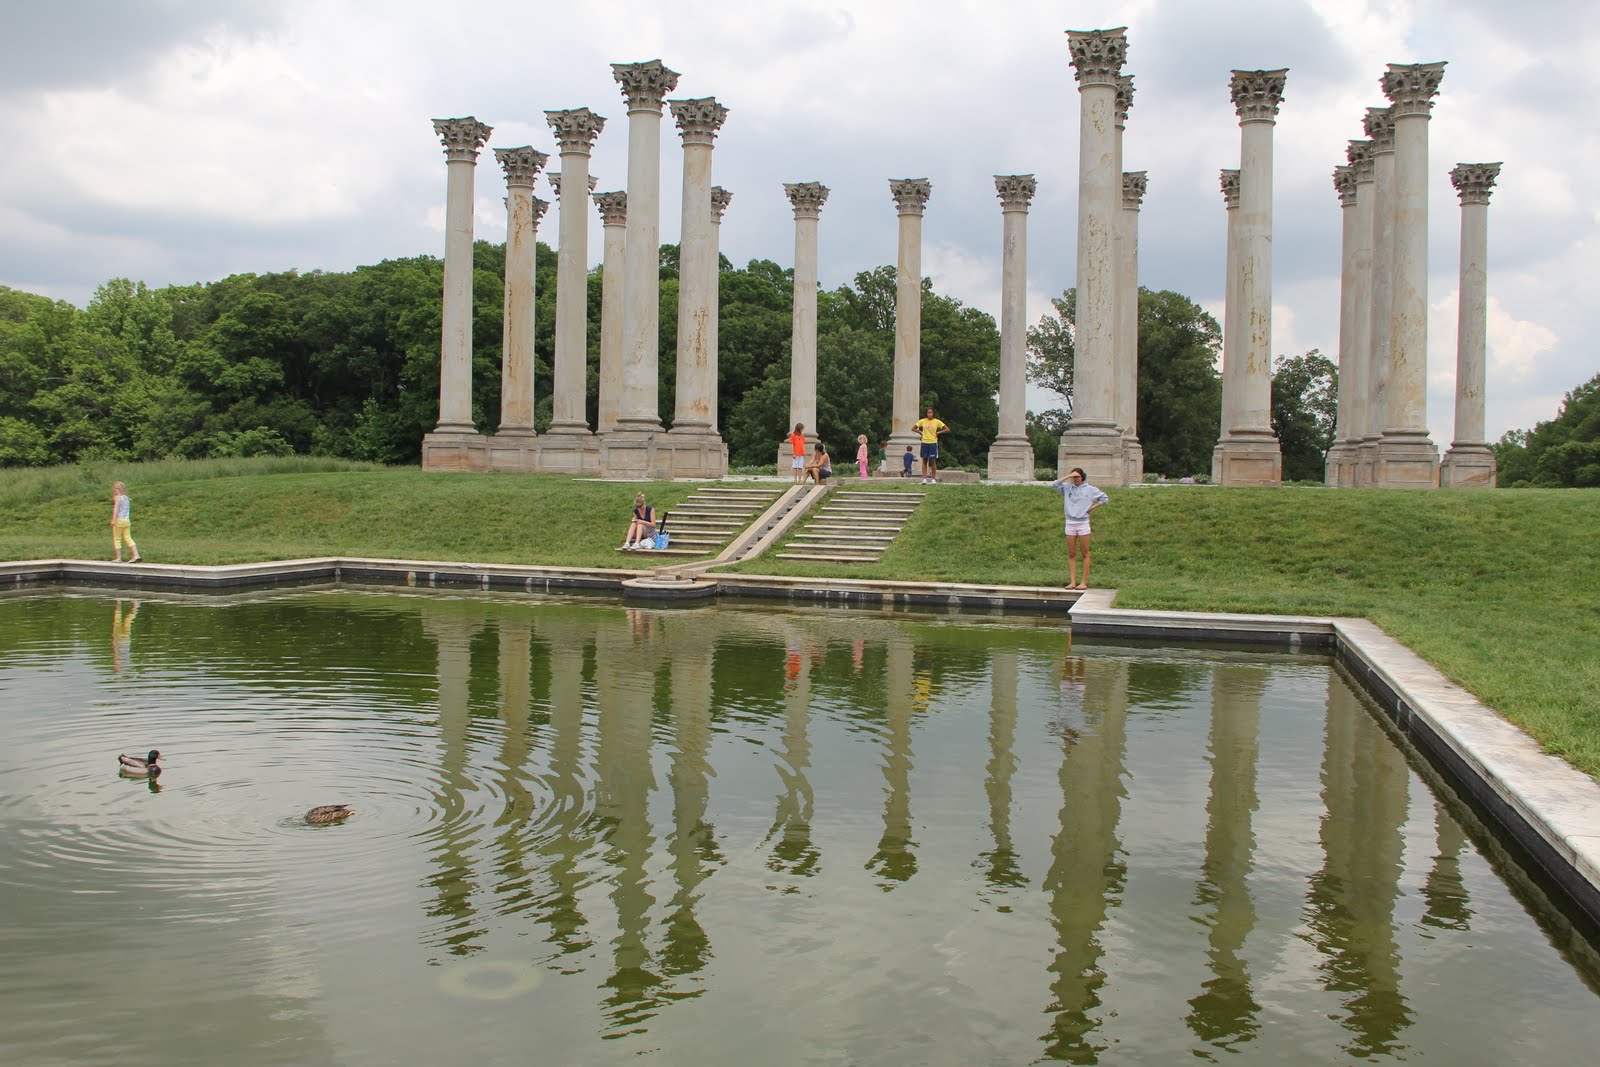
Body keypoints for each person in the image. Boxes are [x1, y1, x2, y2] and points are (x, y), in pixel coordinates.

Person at [1050, 467, 1109, 590]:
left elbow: (1105, 498)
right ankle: (1072, 582)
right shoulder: (1067, 487)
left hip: (1083, 523)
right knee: (1072, 553)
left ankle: (1083, 582)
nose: (1075, 479)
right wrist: (1068, 476)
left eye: (1077, 476)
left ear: (1082, 477)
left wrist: (1093, 507)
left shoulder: (1090, 489)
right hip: (1070, 522)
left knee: (1085, 553)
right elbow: (1054, 484)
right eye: (1074, 477)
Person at [911, 407, 949, 483]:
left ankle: (933, 478)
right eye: (928, 412)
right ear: (926, 413)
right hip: (924, 442)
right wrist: (920, 432)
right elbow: (913, 428)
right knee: (924, 460)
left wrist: (938, 432)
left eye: (931, 412)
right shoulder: (922, 421)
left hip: (933, 443)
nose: (930, 414)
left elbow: (947, 429)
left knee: (932, 461)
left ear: (933, 413)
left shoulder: (937, 421)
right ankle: (924, 478)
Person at [109, 481, 139, 563]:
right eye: (114, 489)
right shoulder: (126, 497)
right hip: (126, 520)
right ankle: (136, 555)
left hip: (119, 520)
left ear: (120, 489)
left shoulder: (117, 498)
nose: (115, 491)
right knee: (128, 538)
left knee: (117, 538)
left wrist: (113, 520)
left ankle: (118, 558)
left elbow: (116, 509)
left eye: (116, 489)